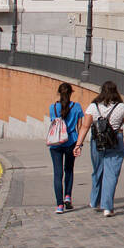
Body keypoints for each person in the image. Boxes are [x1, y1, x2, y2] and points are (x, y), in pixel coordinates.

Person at [75, 81, 124, 217]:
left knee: (98, 170)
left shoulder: (93, 107)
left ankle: (94, 200)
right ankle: (107, 207)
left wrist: (78, 145)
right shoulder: (121, 107)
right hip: (115, 140)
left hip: (97, 141)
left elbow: (85, 127)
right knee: (111, 174)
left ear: (101, 91)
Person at [48, 83, 82, 214]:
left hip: (56, 143)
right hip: (71, 141)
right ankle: (68, 196)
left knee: (57, 174)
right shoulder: (77, 107)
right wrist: (79, 143)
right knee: (69, 170)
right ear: (71, 93)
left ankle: (59, 205)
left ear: (59, 93)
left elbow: (53, 122)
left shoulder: (53, 107)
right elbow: (79, 126)